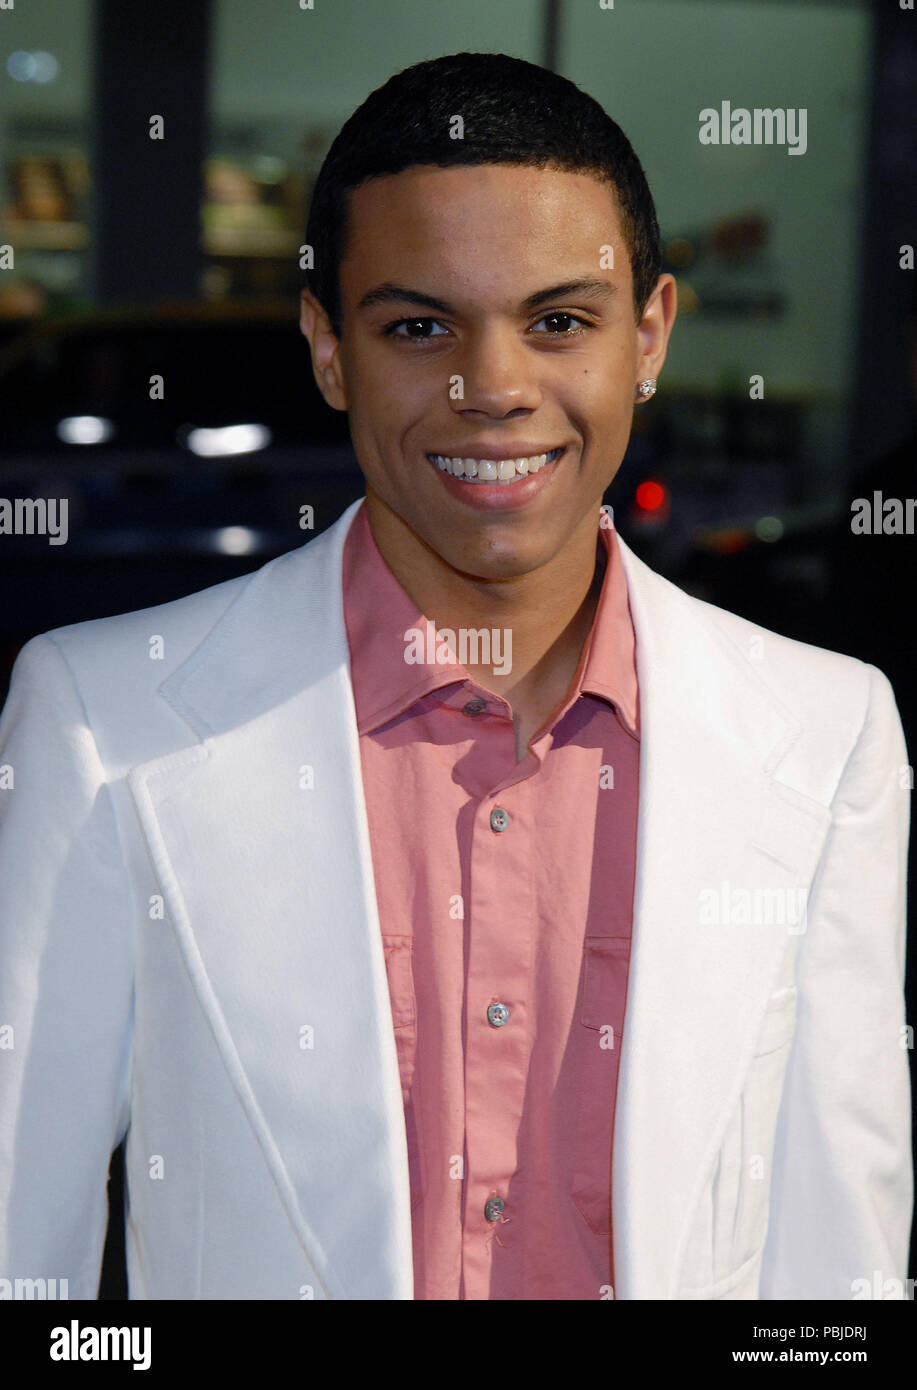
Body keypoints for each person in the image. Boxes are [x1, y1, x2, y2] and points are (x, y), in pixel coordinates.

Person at [0, 51, 911, 1302]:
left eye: (558, 321)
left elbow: (836, 1274)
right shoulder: (105, 723)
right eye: (419, 326)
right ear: (328, 348)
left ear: (648, 335)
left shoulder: (822, 730)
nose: (493, 388)